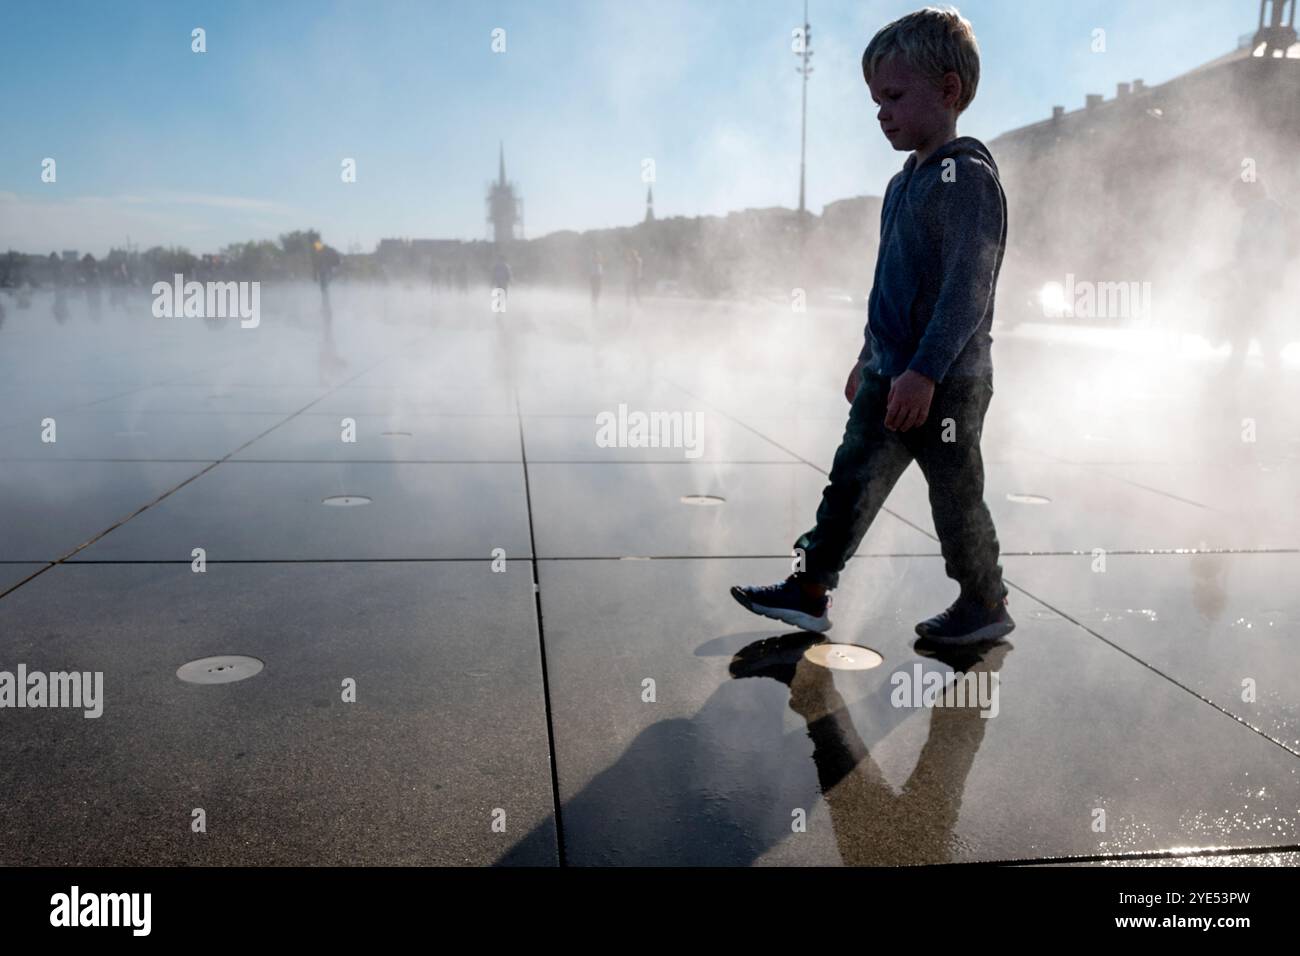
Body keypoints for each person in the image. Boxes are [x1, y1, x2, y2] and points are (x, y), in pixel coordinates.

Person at [731, 6, 1013, 646]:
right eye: (875, 99)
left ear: (948, 91)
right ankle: (809, 589)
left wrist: (925, 371)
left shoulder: (967, 178)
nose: (880, 111)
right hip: (892, 374)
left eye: (892, 96)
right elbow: (888, 285)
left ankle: (984, 601)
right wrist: (871, 354)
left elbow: (969, 289)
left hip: (947, 383)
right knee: (850, 480)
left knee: (955, 499)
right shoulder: (899, 184)